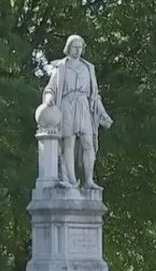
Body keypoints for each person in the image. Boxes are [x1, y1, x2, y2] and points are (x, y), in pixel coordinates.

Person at [42, 34, 113, 189]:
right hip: (67, 105)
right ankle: (71, 180)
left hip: (83, 106)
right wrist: (48, 100)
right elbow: (51, 88)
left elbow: (94, 96)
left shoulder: (88, 68)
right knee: (69, 141)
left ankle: (89, 180)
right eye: (75, 47)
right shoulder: (61, 67)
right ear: (68, 48)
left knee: (89, 143)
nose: (78, 50)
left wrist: (103, 114)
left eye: (80, 47)